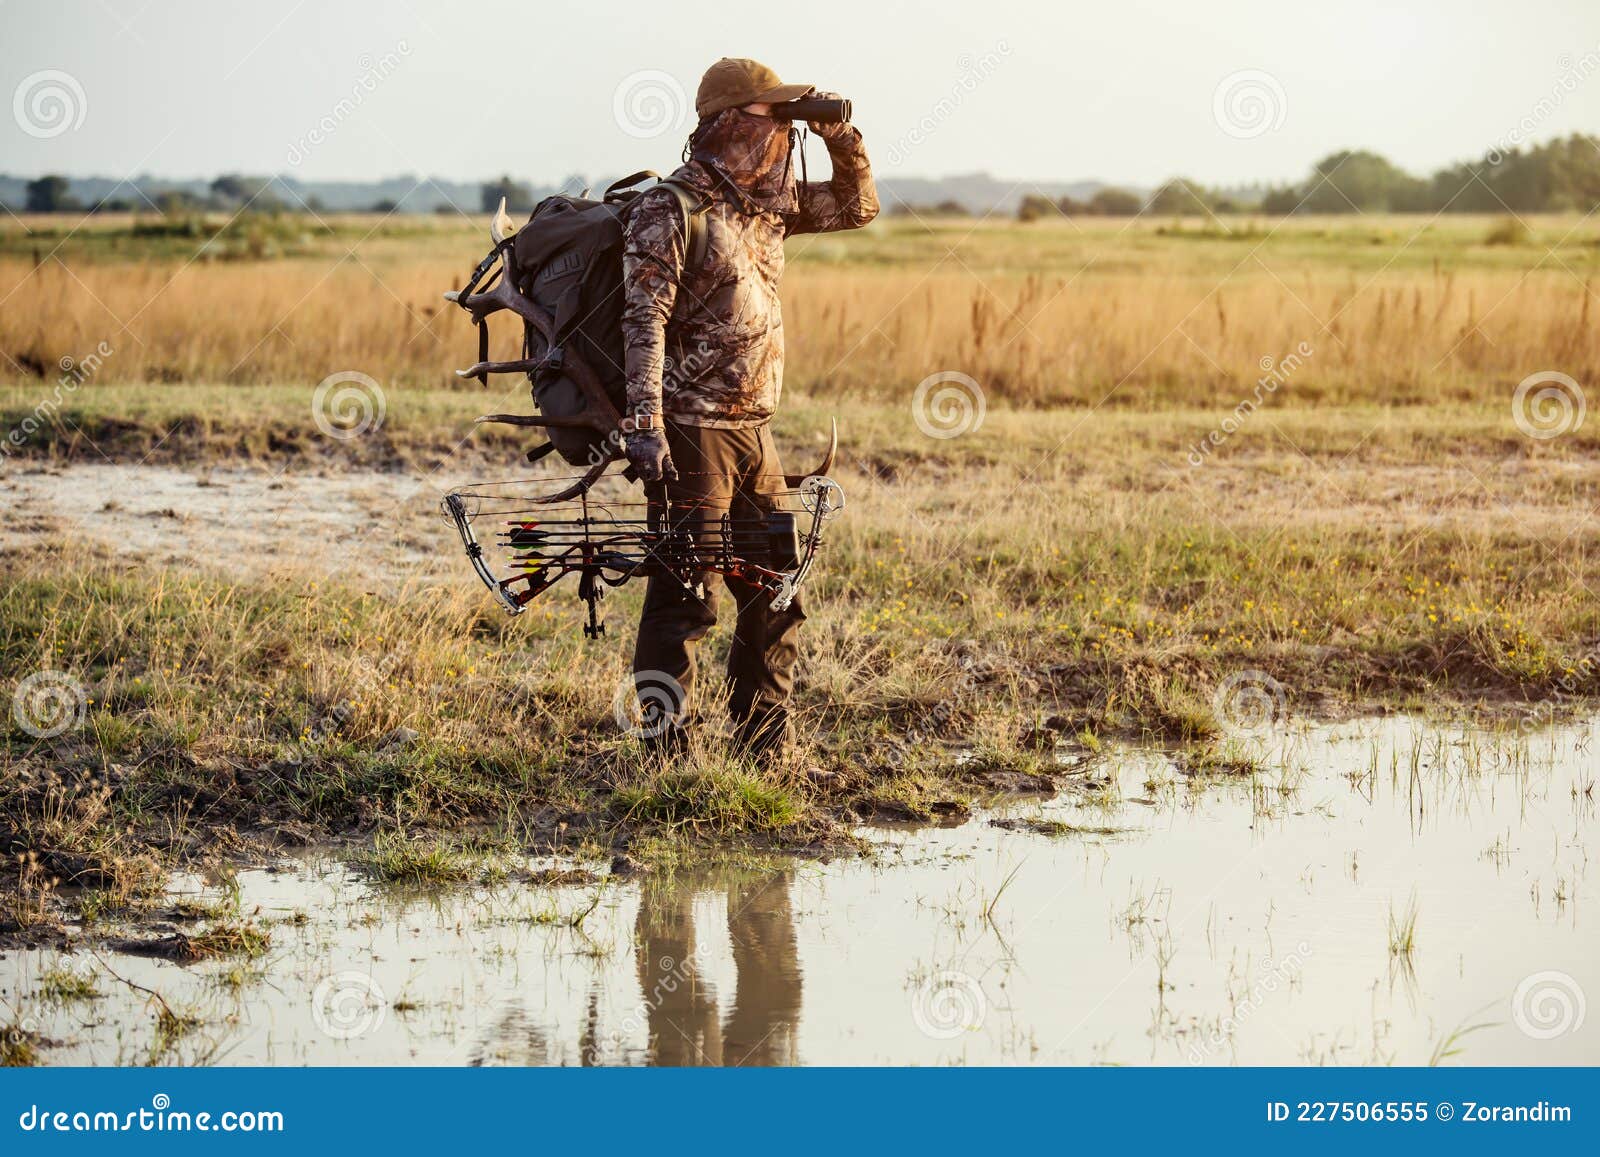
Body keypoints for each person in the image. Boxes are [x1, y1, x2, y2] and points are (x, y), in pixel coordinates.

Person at [620, 57, 878, 760]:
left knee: (775, 594)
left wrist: (839, 135)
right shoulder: (670, 207)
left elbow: (858, 206)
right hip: (690, 430)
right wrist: (645, 424)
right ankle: (663, 756)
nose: (785, 135)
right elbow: (644, 318)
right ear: (731, 124)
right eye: (776, 119)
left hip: (753, 431)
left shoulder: (767, 211)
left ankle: (762, 750)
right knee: (685, 599)